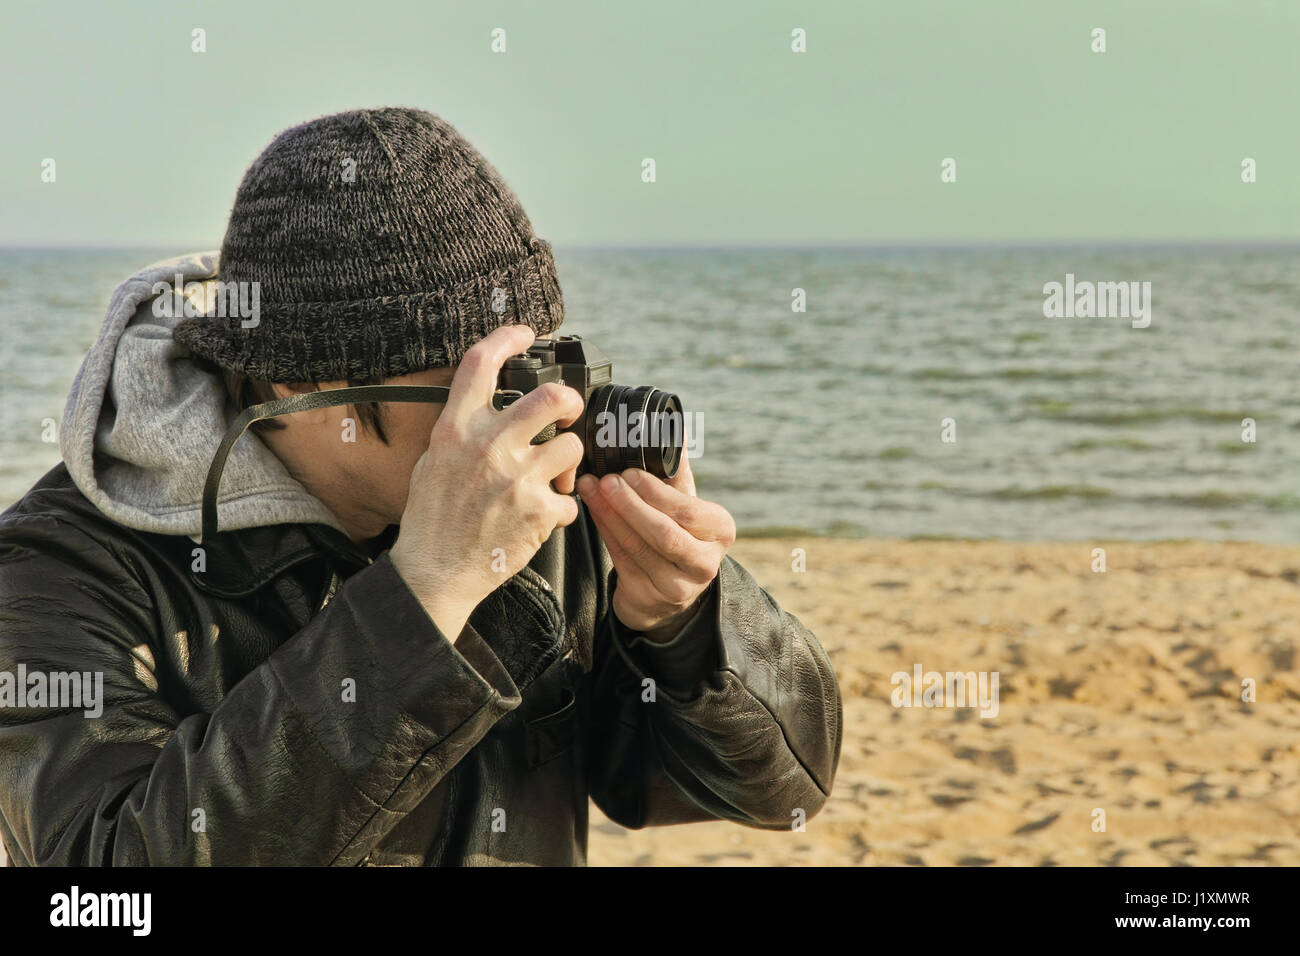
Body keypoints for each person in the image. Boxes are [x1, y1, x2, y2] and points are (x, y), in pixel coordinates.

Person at [0, 107, 842, 866]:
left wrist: (684, 629)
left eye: (529, 369)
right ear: (294, 389)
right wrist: (425, 597)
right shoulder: (58, 569)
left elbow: (779, 796)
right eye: (468, 388)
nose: (515, 424)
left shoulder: (542, 511)